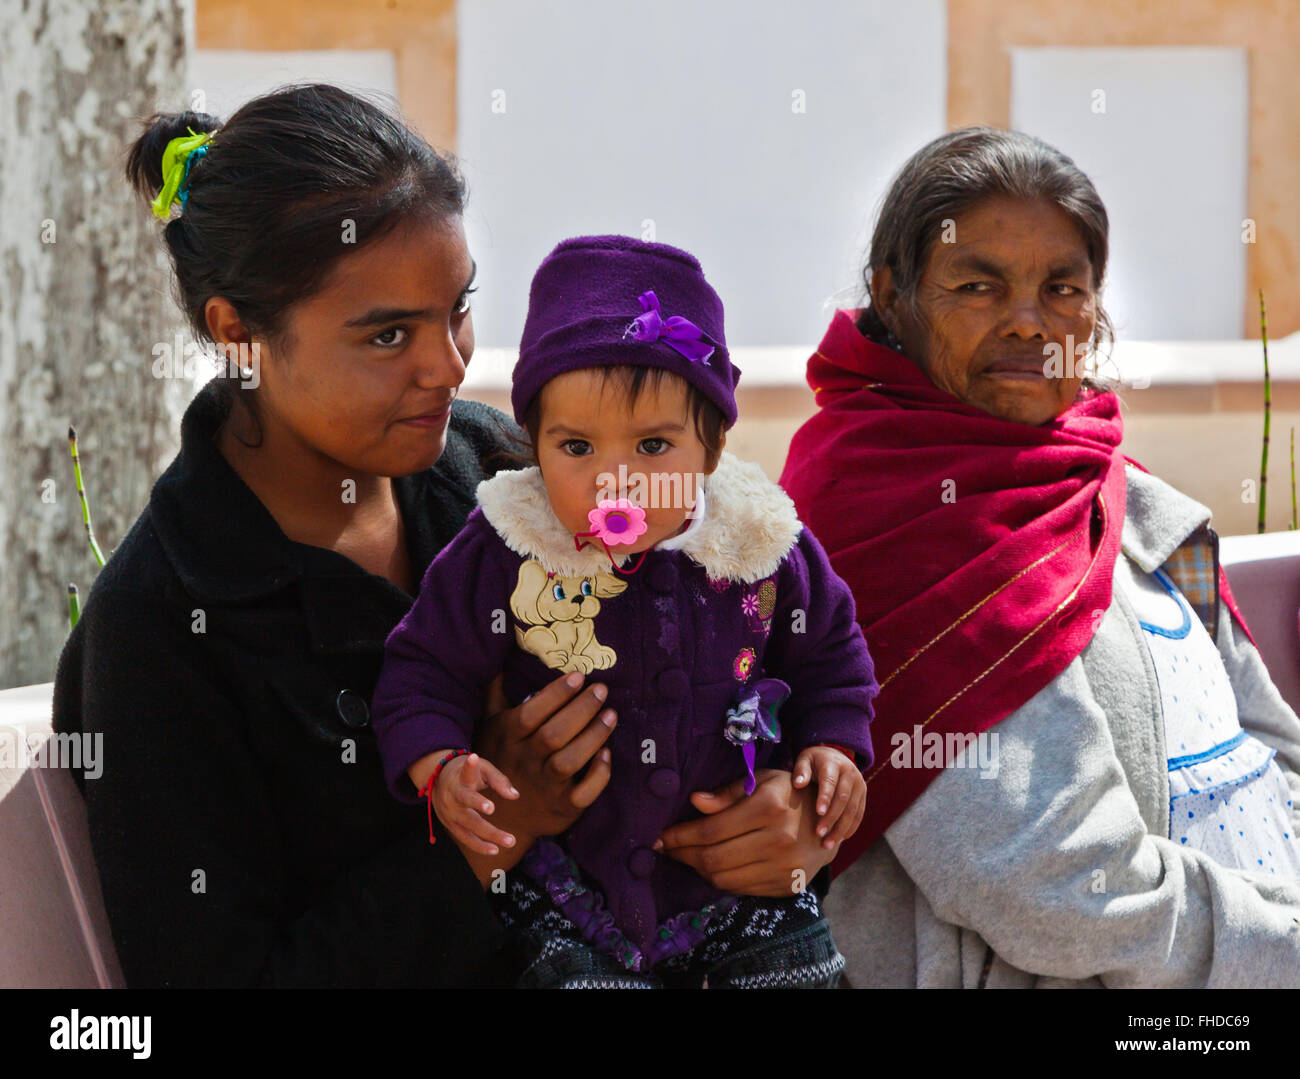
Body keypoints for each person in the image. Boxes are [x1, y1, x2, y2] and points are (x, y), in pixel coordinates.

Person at [50, 84, 843, 988]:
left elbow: (749, 624)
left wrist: (791, 812)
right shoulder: (165, 622)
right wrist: (493, 831)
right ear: (239, 334)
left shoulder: (501, 475)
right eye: (388, 335)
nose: (450, 362)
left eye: (456, 308)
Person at [780, 126, 1300, 988]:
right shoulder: (887, 515)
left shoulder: (1121, 491)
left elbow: (1274, 743)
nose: (1029, 319)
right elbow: (1064, 890)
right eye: (978, 285)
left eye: (1063, 287)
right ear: (893, 293)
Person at [370, 235, 878, 988]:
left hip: (737, 888)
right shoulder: (509, 547)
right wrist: (441, 766)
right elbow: (422, 669)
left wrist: (832, 750)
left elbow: (833, 661)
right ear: (535, 447)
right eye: (576, 445)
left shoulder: (760, 544)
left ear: (710, 448)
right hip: (570, 890)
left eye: (651, 445)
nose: (615, 481)